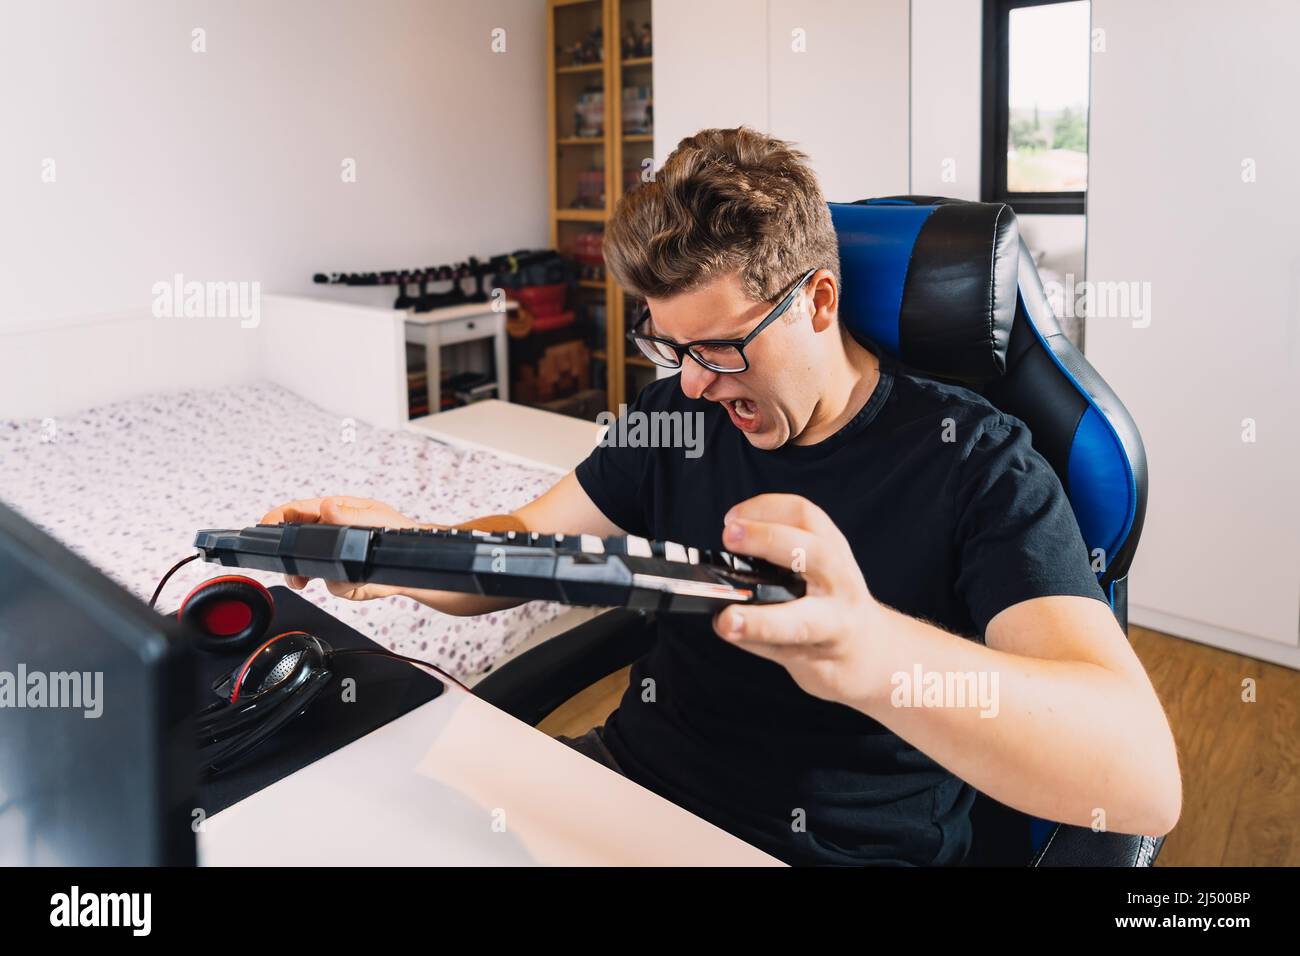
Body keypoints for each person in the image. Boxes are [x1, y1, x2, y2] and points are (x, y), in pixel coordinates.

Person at [262, 127, 1180, 866]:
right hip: (623, 791)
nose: (695, 383)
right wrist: (397, 550)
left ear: (819, 301)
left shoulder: (976, 461)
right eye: (671, 347)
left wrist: (869, 649)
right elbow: (525, 540)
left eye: (723, 348)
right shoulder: (679, 417)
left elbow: (1139, 776)